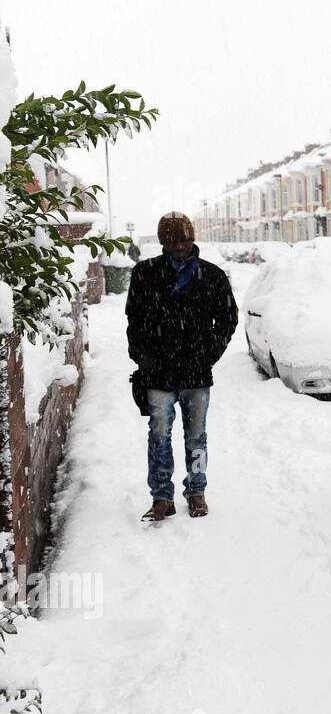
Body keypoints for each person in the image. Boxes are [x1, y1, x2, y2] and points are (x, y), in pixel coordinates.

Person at [126, 212, 239, 521]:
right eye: (172, 241)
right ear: (163, 242)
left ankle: (197, 490)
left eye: (184, 240)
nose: (179, 246)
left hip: (196, 372)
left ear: (193, 239)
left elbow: (228, 318)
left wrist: (208, 354)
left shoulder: (212, 275)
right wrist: (143, 357)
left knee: (197, 436)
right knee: (159, 434)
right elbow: (133, 320)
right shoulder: (145, 273)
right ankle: (162, 496)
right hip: (158, 372)